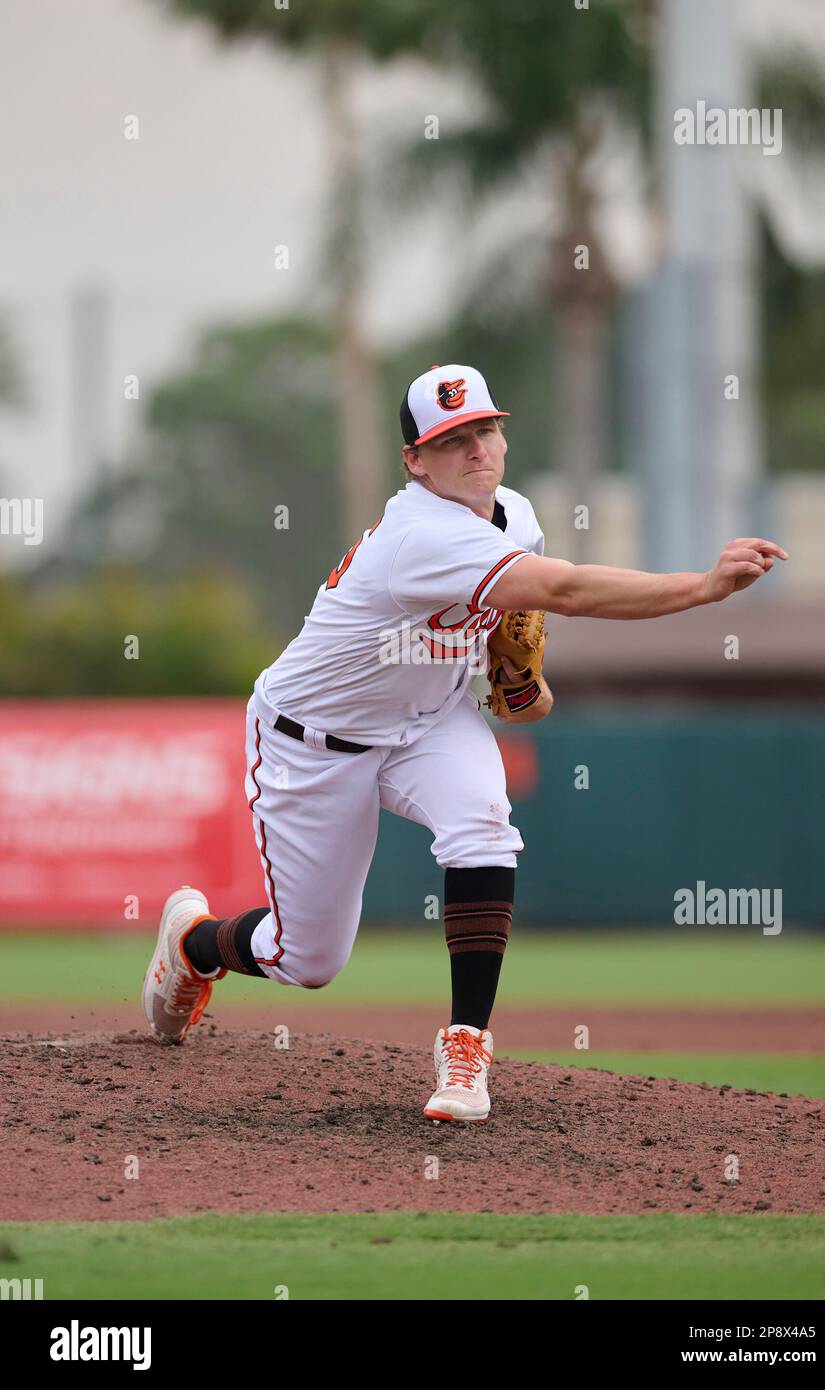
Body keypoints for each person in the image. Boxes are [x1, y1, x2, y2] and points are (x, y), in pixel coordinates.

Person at [142, 362, 787, 1124]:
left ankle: (466, 1047)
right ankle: (194, 945)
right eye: (452, 440)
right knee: (307, 960)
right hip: (314, 741)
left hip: (430, 721)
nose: (476, 449)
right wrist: (703, 587)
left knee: (484, 825)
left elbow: (513, 684)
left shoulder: (512, 515)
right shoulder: (422, 534)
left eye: (486, 430)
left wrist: (522, 689)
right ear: (415, 460)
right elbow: (570, 590)